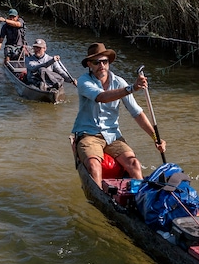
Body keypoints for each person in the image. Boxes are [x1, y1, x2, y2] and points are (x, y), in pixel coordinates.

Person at [71, 42, 166, 187]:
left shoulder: (119, 82)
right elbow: (101, 97)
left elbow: (137, 113)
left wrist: (155, 137)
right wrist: (131, 88)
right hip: (88, 134)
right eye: (97, 62)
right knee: (94, 165)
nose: (101, 65)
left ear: (108, 63)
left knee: (134, 163)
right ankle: (100, 198)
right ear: (89, 64)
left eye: (104, 61)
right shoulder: (84, 81)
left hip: (113, 135)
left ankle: (141, 197)